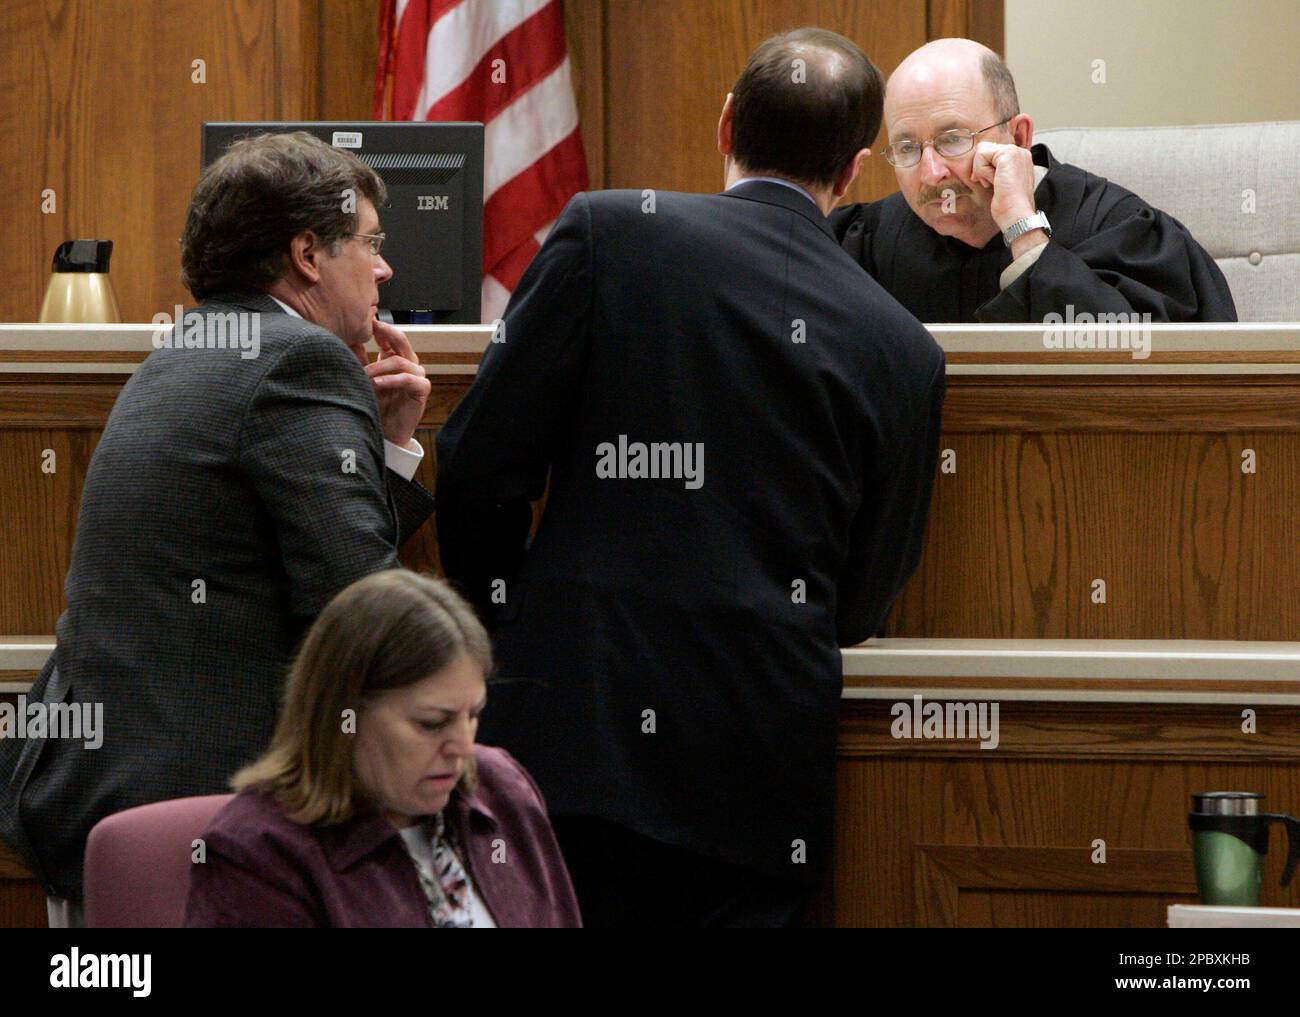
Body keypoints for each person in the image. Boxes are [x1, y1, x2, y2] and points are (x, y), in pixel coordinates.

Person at [435, 28, 945, 927]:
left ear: (725, 125)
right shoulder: (902, 348)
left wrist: (515, 614)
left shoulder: (604, 232)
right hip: (755, 771)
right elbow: (861, 605)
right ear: (857, 168)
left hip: (572, 733)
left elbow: (479, 463)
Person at [0, 131, 435, 924]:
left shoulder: (192, 349)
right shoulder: (299, 360)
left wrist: (389, 447)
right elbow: (363, 611)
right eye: (370, 243)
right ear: (308, 252)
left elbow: (281, 553)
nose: (385, 268)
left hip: (103, 804)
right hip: (201, 832)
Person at [184, 570, 579, 928]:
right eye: (432, 723)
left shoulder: (500, 787)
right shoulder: (259, 854)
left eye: (473, 714)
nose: (463, 746)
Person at [831, 38, 1237, 323]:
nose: (932, 173)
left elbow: (1140, 373)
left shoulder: (1118, 227)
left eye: (953, 140)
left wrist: (1023, 231)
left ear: (1019, 138)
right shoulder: (868, 244)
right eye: (907, 148)